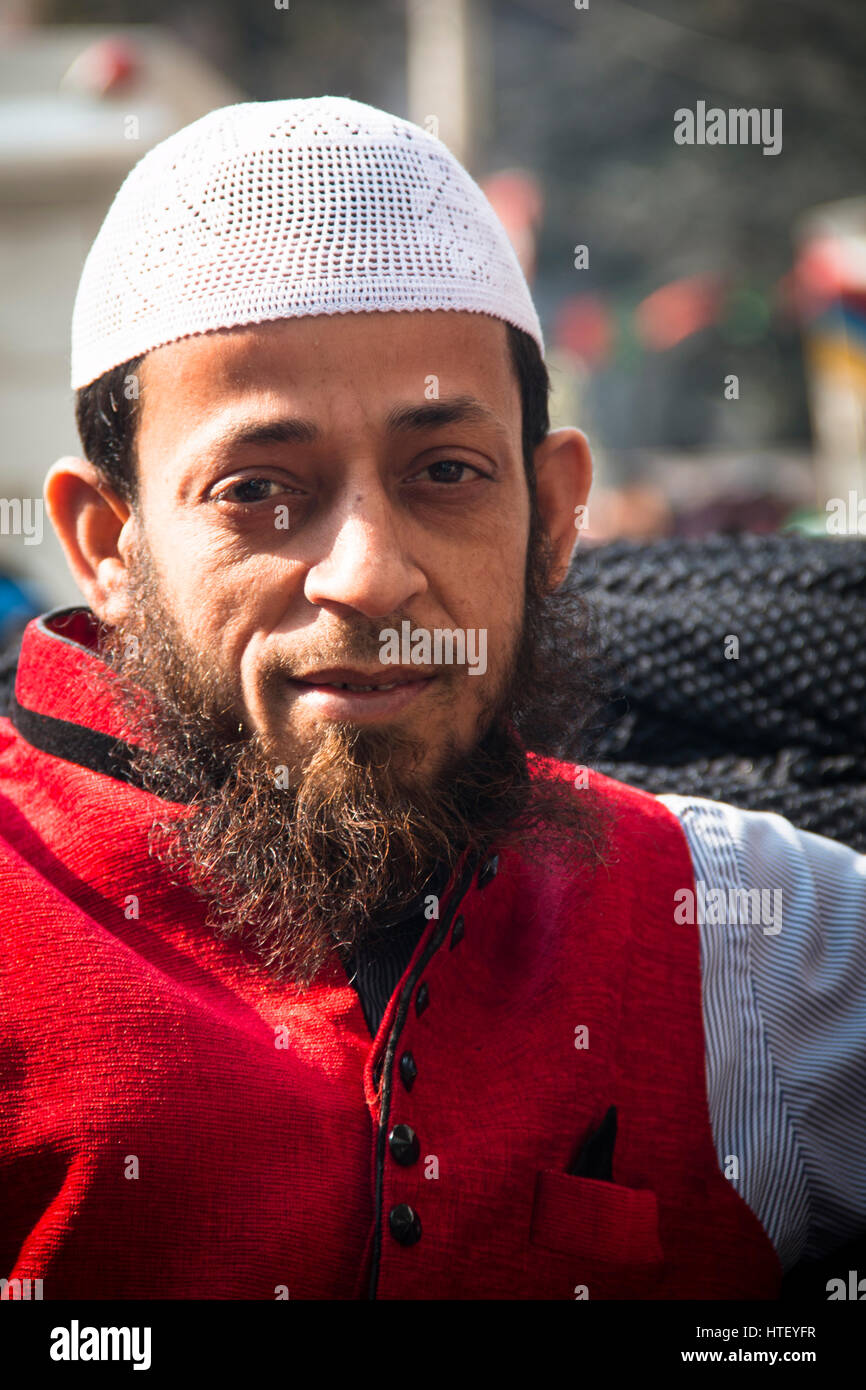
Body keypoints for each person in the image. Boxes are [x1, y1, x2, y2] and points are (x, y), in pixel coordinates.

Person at [0, 96, 863, 1302]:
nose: (368, 575)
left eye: (445, 472)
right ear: (106, 545)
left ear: (554, 513)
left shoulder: (753, 933)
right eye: (258, 488)